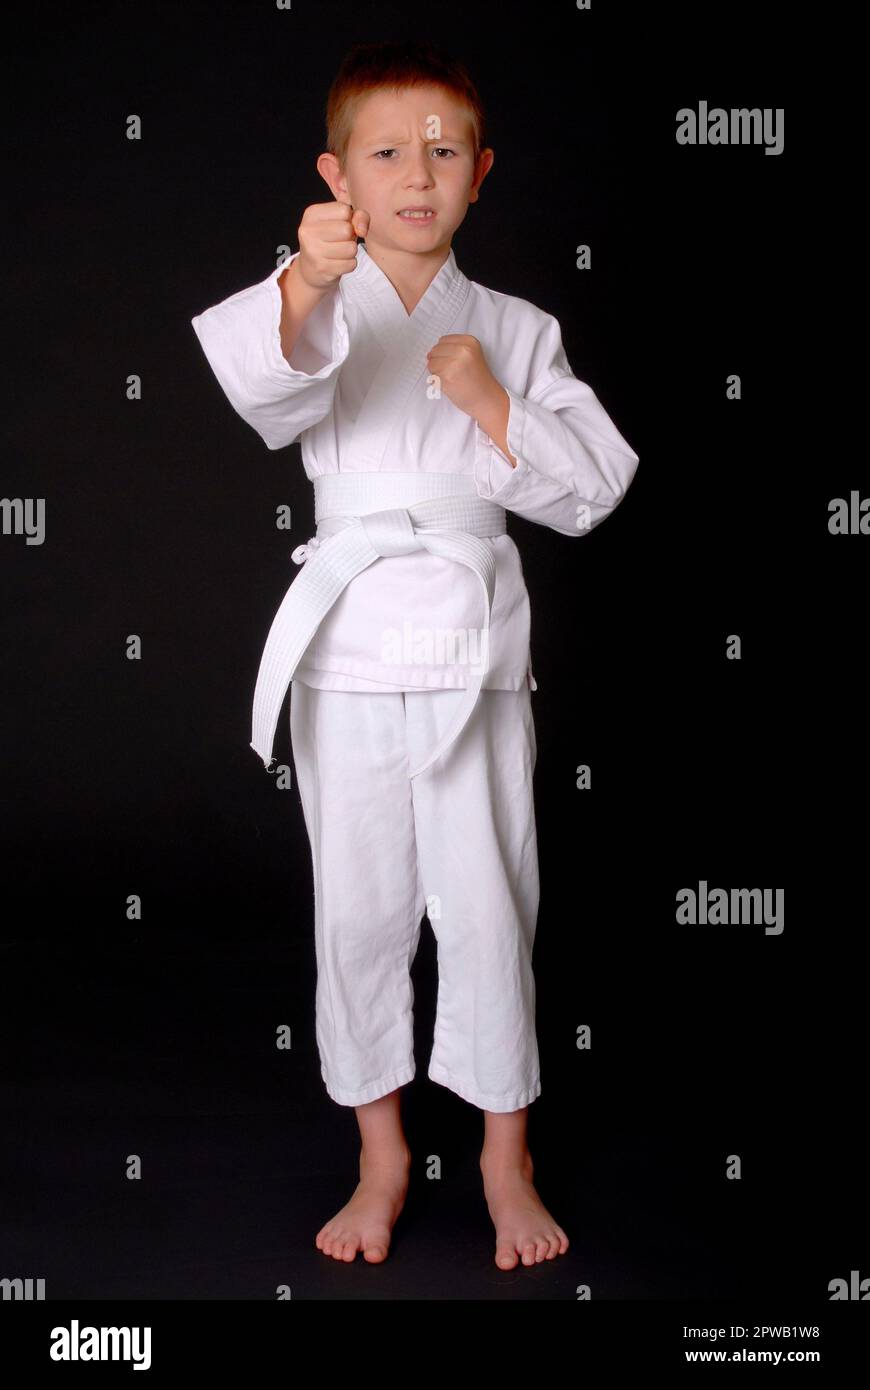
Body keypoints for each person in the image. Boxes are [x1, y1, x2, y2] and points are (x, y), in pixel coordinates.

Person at [191, 39, 639, 1271]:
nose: (418, 173)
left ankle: (506, 1154)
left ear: (481, 173)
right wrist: (297, 282)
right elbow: (265, 396)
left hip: (477, 656)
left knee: (492, 903)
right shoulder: (319, 298)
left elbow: (596, 490)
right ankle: (380, 1150)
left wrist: (493, 402)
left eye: (445, 151)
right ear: (339, 175)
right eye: (388, 152)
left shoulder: (514, 328)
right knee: (362, 908)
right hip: (350, 656)